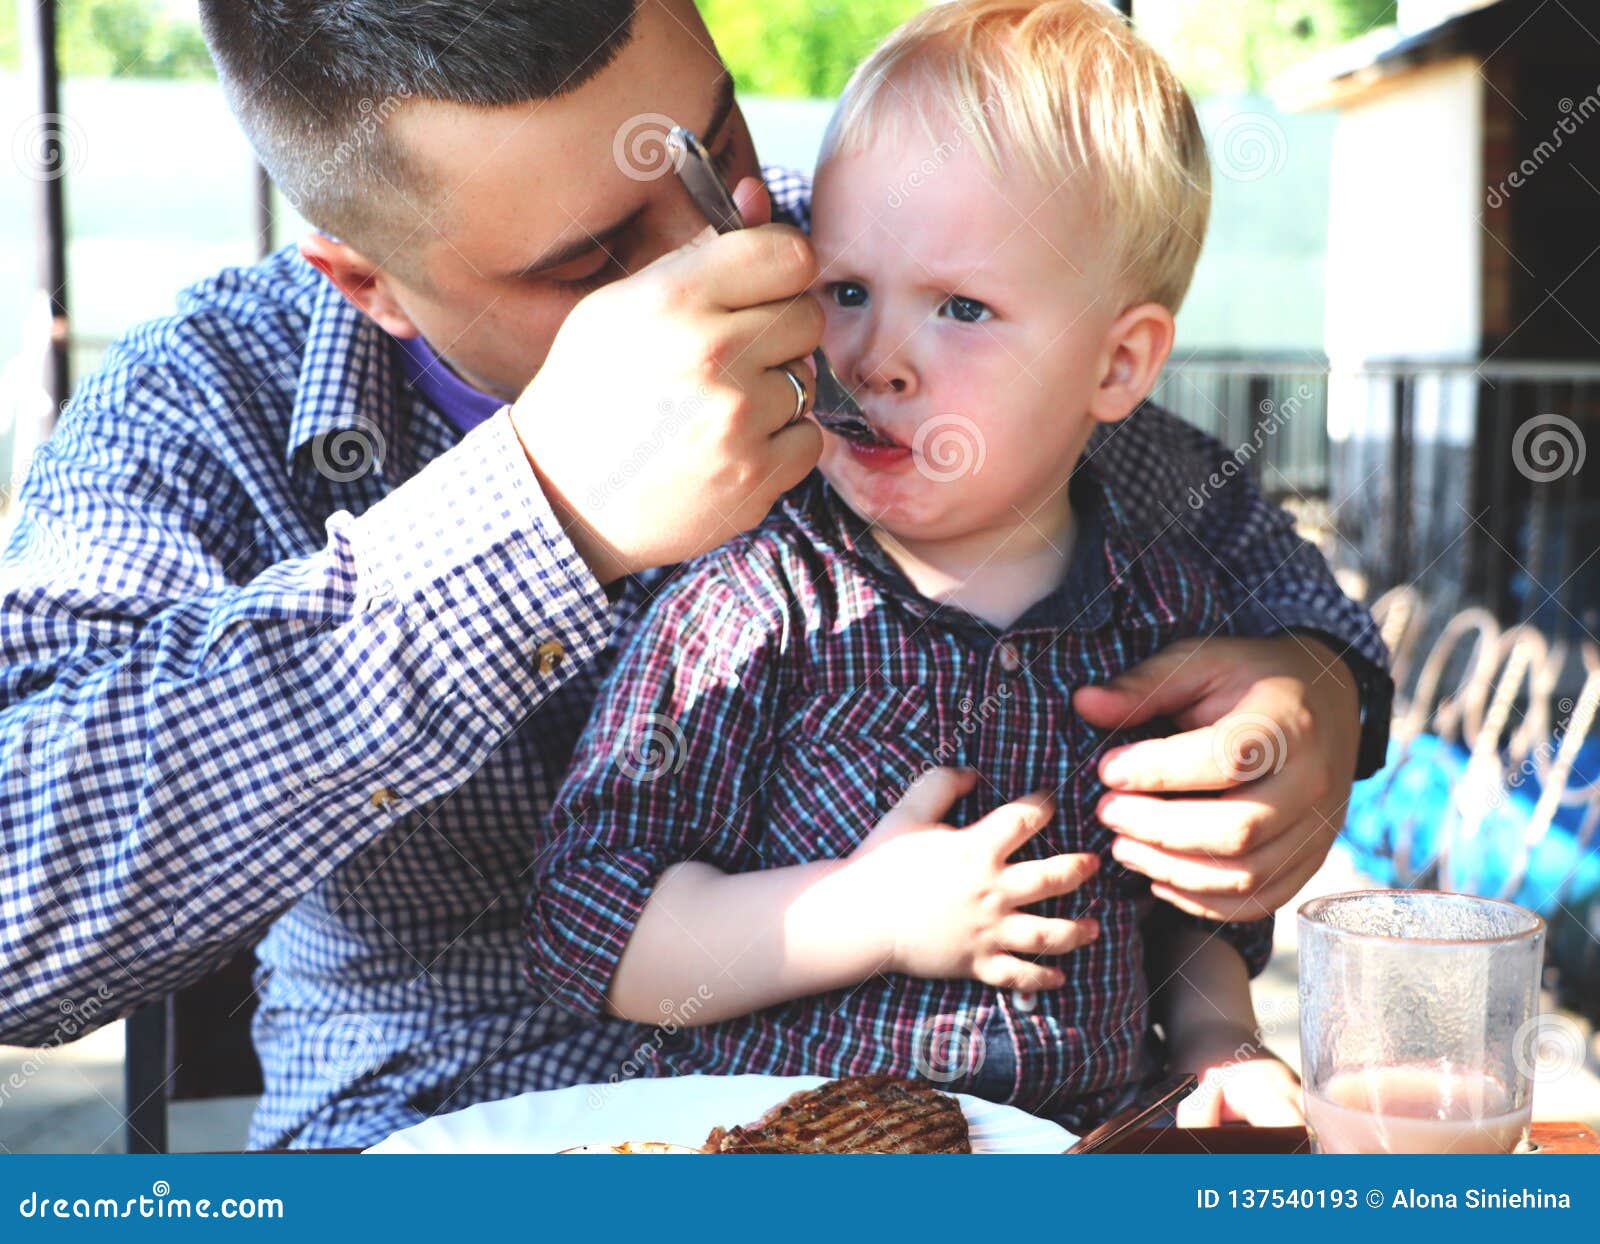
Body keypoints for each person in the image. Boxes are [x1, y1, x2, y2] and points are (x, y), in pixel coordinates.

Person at [0, 0, 1386, 1149]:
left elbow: (1201, 528)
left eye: (712, 152)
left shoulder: (868, 268)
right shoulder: (209, 407)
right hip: (435, 1139)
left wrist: (1312, 697)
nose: (721, 265)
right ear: (368, 278)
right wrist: (544, 516)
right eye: (593, 258)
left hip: (978, 1132)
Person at [526, 0, 1316, 1129]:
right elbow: (591, 923)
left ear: (1118, 363)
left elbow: (1184, 905)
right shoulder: (748, 602)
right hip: (796, 1149)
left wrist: (1216, 1040)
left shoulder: (1164, 610)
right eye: (845, 289)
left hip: (1083, 1141)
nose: (874, 357)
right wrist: (868, 909)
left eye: (961, 307)